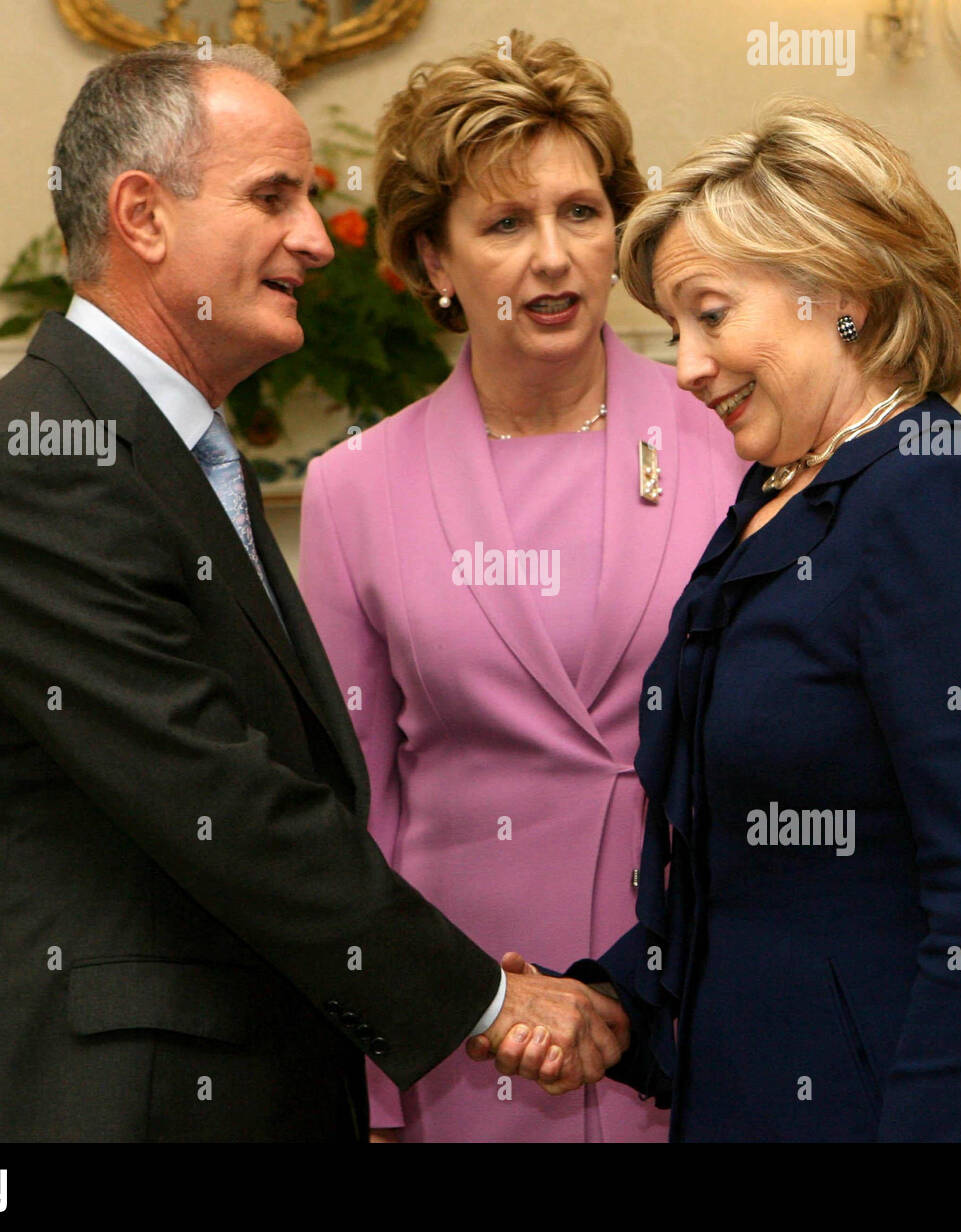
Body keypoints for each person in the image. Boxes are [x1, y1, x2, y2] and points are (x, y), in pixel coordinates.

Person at [0, 42, 626, 1143]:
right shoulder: (42, 463)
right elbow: (221, 797)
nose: (316, 243)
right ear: (142, 215)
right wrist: (484, 997)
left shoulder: (157, 448)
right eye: (273, 197)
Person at [480, 95, 961, 1143]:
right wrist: (619, 997)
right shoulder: (785, 489)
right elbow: (751, 867)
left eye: (711, 314)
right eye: (674, 327)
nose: (684, 367)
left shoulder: (934, 490)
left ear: (842, 295)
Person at [298, 31, 746, 1142]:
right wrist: (373, 1077)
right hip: (472, 1019)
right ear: (435, 263)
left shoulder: (729, 437)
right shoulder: (355, 486)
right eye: (505, 223)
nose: (553, 255)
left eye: (580, 212)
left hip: (701, 990)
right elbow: (352, 803)